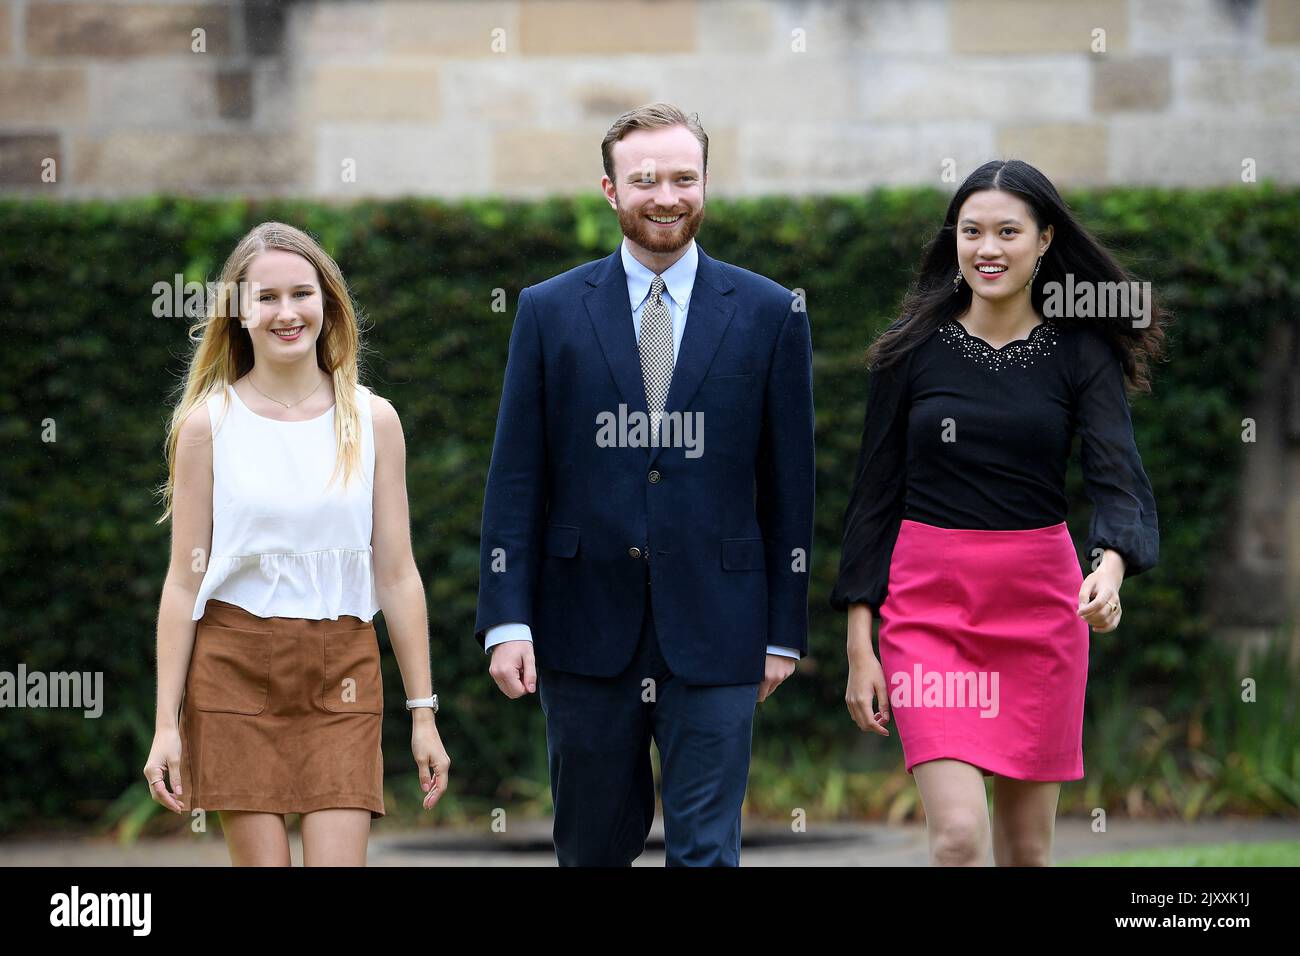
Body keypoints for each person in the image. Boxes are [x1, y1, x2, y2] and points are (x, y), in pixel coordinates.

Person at [475, 103, 815, 866]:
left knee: (705, 851)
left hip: (722, 627)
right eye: (645, 179)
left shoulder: (770, 313)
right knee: (593, 850)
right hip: (581, 626)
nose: (666, 195)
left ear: (706, 183)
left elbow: (791, 487)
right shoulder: (548, 311)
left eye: (684, 178)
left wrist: (783, 629)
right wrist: (506, 618)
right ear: (609, 189)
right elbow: (516, 477)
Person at [832, 159, 1165, 866]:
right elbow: (873, 498)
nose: (988, 247)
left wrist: (1108, 568)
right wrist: (861, 644)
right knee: (956, 838)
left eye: (1008, 231)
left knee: (1026, 851)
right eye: (972, 230)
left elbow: (1117, 476)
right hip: (927, 608)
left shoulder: (1082, 350)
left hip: (1040, 609)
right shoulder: (910, 348)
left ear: (1044, 240)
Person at [145, 221, 450, 866]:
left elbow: (396, 575)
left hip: (341, 670)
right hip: (232, 668)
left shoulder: (372, 420)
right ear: (239, 313)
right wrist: (165, 726)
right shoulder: (206, 427)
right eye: (267, 297)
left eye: (302, 293)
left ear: (328, 302)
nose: (287, 313)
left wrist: (423, 715)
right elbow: (182, 583)